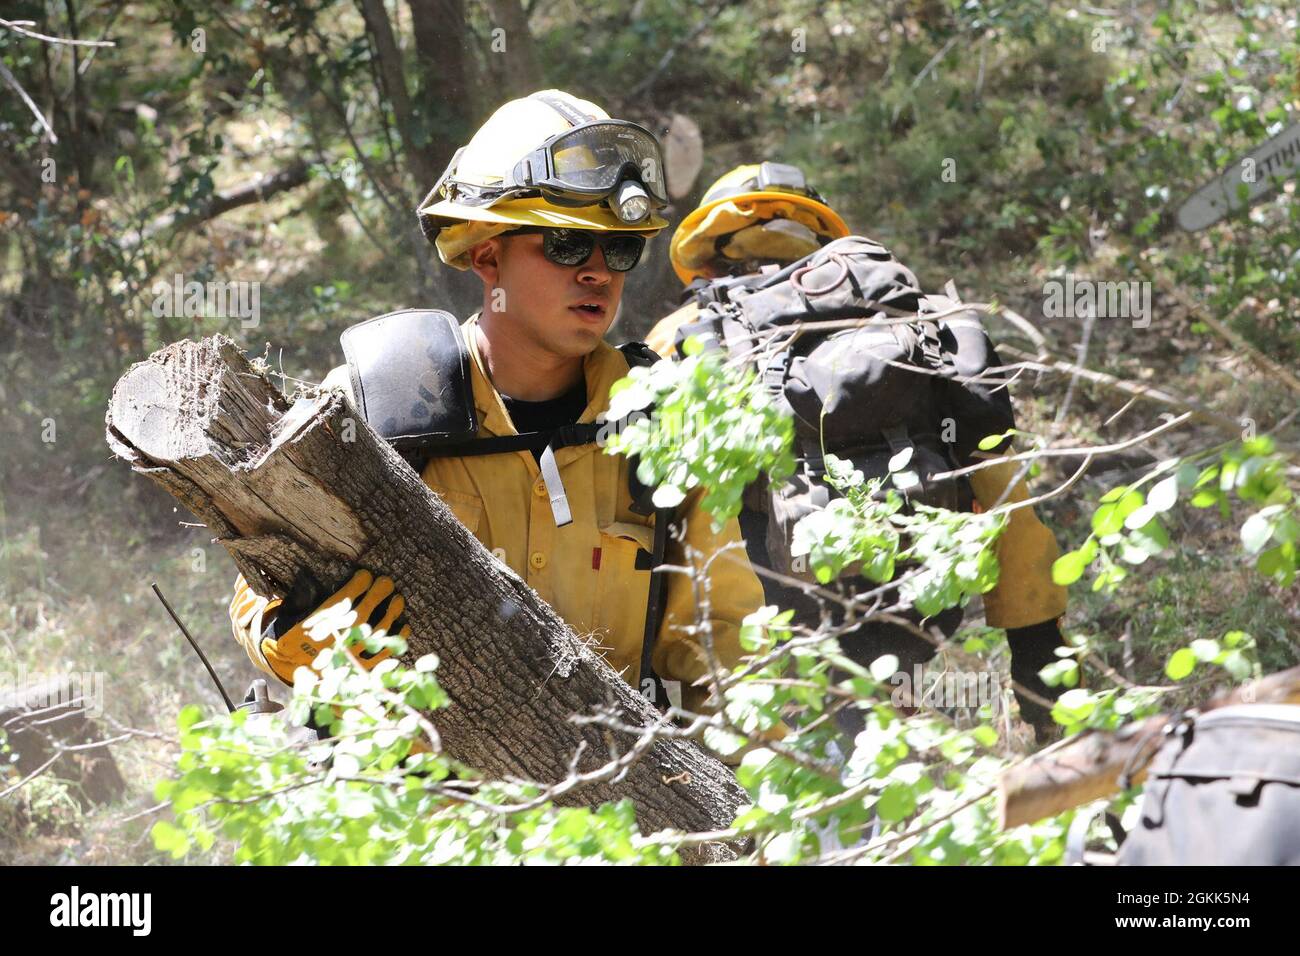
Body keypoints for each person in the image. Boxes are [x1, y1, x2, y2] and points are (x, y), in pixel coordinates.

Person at [229, 91, 766, 723]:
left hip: (609, 797)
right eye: (567, 244)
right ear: (488, 256)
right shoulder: (379, 403)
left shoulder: (663, 419)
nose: (598, 273)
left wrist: (768, 788)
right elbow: (259, 597)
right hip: (419, 799)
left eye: (619, 249)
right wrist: (295, 642)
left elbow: (722, 645)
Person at [645, 162, 1072, 740]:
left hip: (750, 670)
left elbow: (642, 520)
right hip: (906, 623)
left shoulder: (686, 337)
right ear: (826, 239)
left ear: (705, 250)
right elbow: (1010, 513)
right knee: (881, 761)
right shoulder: (915, 320)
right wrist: (1044, 679)